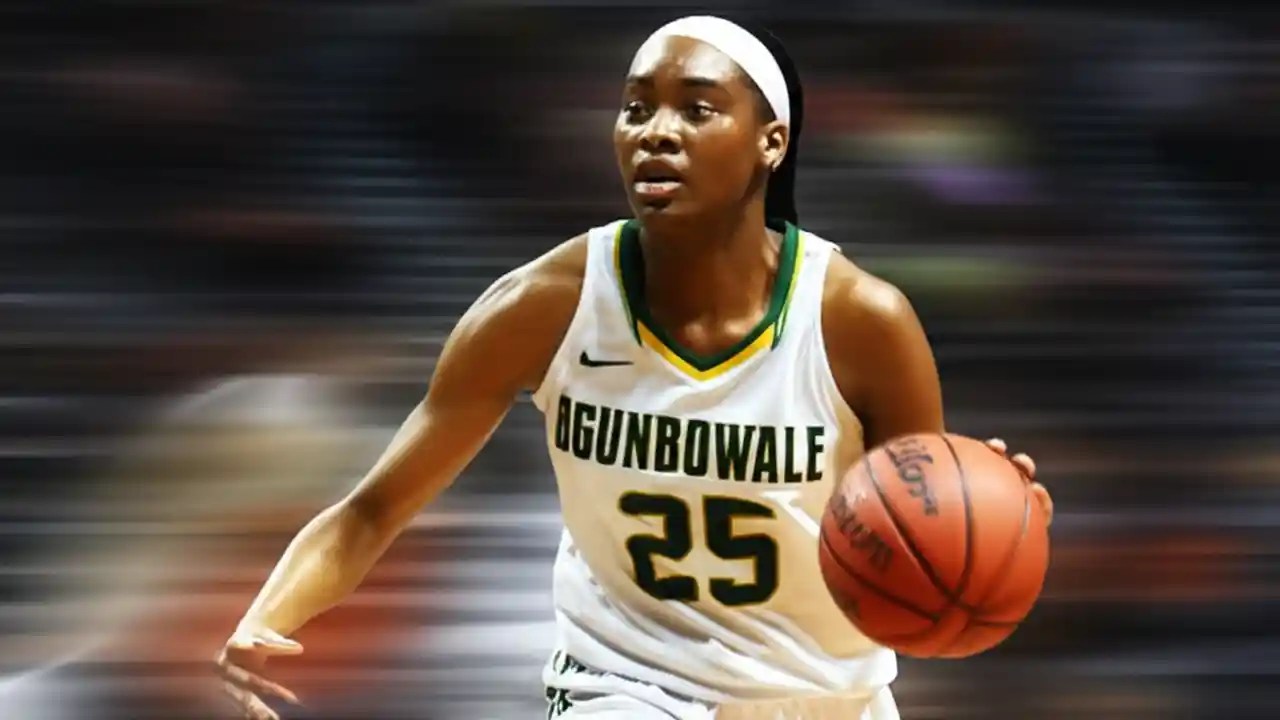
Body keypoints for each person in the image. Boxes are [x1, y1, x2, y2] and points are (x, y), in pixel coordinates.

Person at [216, 15, 1053, 720]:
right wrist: (268, 611)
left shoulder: (861, 320)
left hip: (828, 698)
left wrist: (996, 519)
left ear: (772, 141)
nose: (655, 130)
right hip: (625, 686)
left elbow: (925, 526)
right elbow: (372, 510)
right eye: (635, 108)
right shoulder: (543, 305)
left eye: (696, 110)